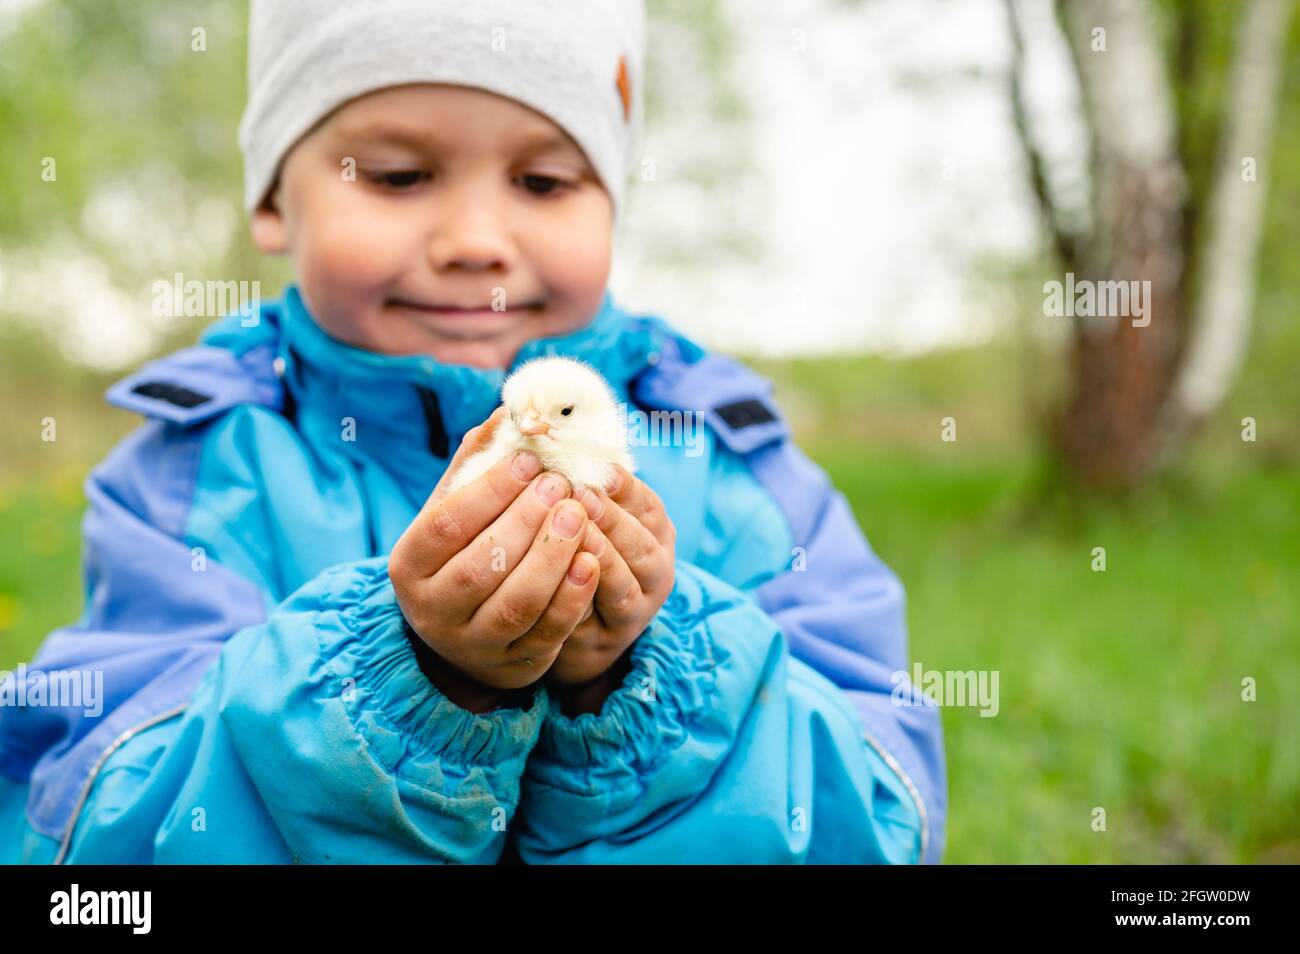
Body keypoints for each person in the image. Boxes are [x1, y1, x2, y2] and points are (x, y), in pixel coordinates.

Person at [0, 0, 945, 864]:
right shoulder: (196, 475)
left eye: (542, 180)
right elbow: (88, 830)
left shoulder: (734, 467)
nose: (475, 239)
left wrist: (629, 690)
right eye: (400, 174)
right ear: (273, 202)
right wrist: (411, 687)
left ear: (612, 200)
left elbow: (882, 814)